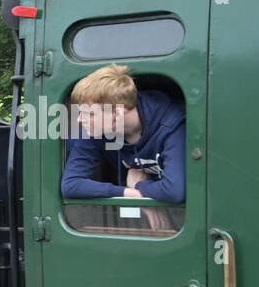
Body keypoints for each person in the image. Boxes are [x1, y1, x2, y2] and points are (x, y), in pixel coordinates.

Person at [60, 64, 185, 203]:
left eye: (89, 114)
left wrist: (138, 184)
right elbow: (70, 185)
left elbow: (174, 191)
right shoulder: (96, 131)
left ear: (117, 113)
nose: (79, 119)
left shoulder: (170, 124)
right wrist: (128, 192)